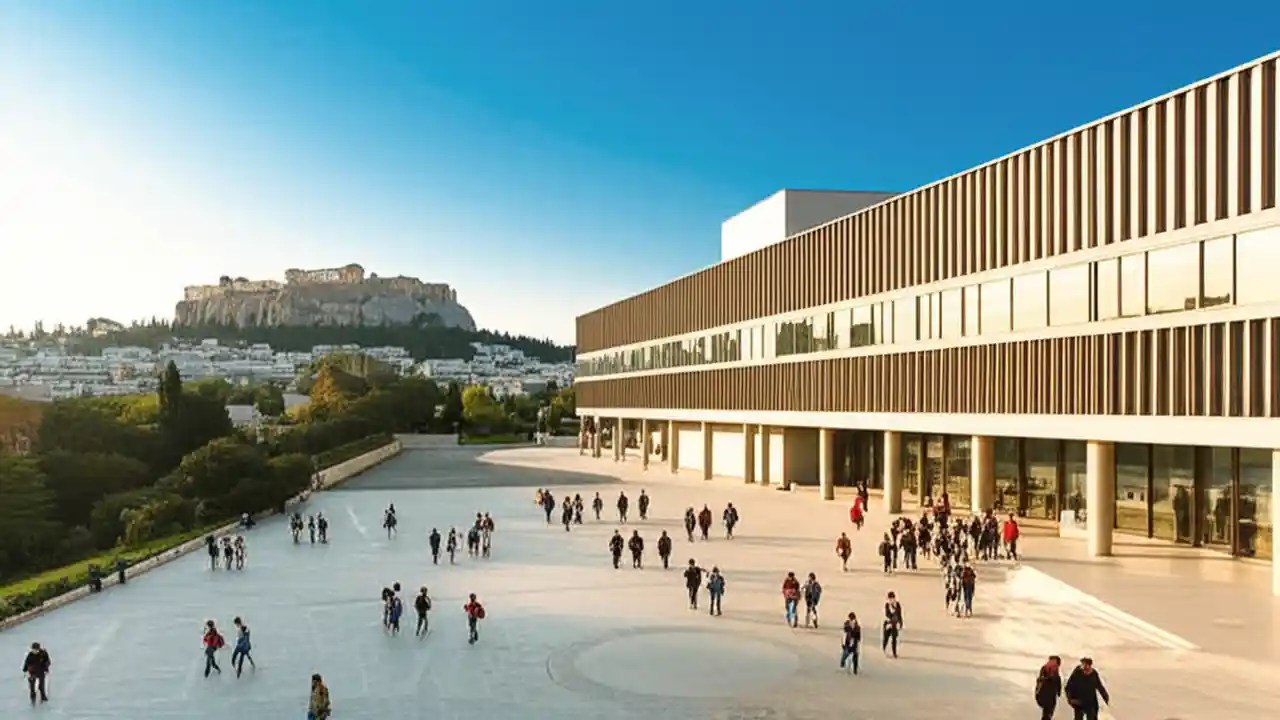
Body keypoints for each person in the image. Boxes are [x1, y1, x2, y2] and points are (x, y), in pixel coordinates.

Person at [1035, 655, 1063, 720]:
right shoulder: (1053, 671)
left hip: (1042, 696)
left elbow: (1040, 680)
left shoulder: (1045, 668)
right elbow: (1056, 682)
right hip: (1049, 697)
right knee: (1048, 714)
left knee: (1046, 714)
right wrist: (1059, 691)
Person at [882, 592, 903, 658]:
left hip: (894, 625)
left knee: (894, 639)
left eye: (892, 598)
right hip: (888, 624)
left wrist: (900, 623)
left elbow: (899, 614)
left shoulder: (897, 604)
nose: (891, 600)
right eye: (890, 599)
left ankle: (894, 653)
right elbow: (887, 615)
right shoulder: (887, 605)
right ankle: (884, 650)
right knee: (886, 638)